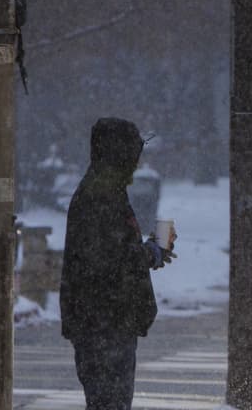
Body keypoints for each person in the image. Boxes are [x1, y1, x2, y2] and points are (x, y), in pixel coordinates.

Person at [60, 117, 174, 409]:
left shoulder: (104, 191)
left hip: (104, 321)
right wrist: (152, 252)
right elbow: (111, 260)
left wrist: (149, 251)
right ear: (119, 154)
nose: (136, 164)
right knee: (109, 402)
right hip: (104, 323)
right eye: (132, 155)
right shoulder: (100, 196)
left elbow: (113, 253)